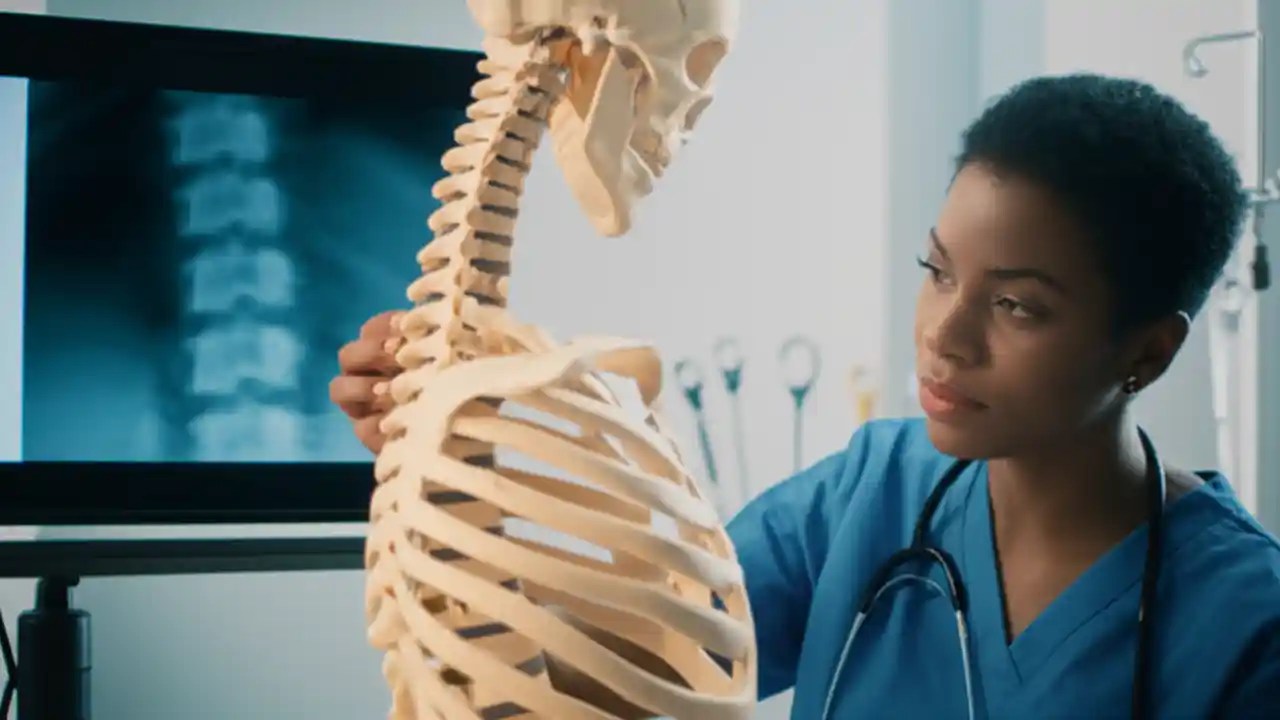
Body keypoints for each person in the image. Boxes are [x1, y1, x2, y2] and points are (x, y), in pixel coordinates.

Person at [330, 74, 1280, 718]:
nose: (944, 336)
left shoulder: (1246, 623)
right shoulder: (867, 496)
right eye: (936, 271)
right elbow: (615, 685)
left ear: (1148, 353)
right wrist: (458, 473)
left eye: (1017, 306)